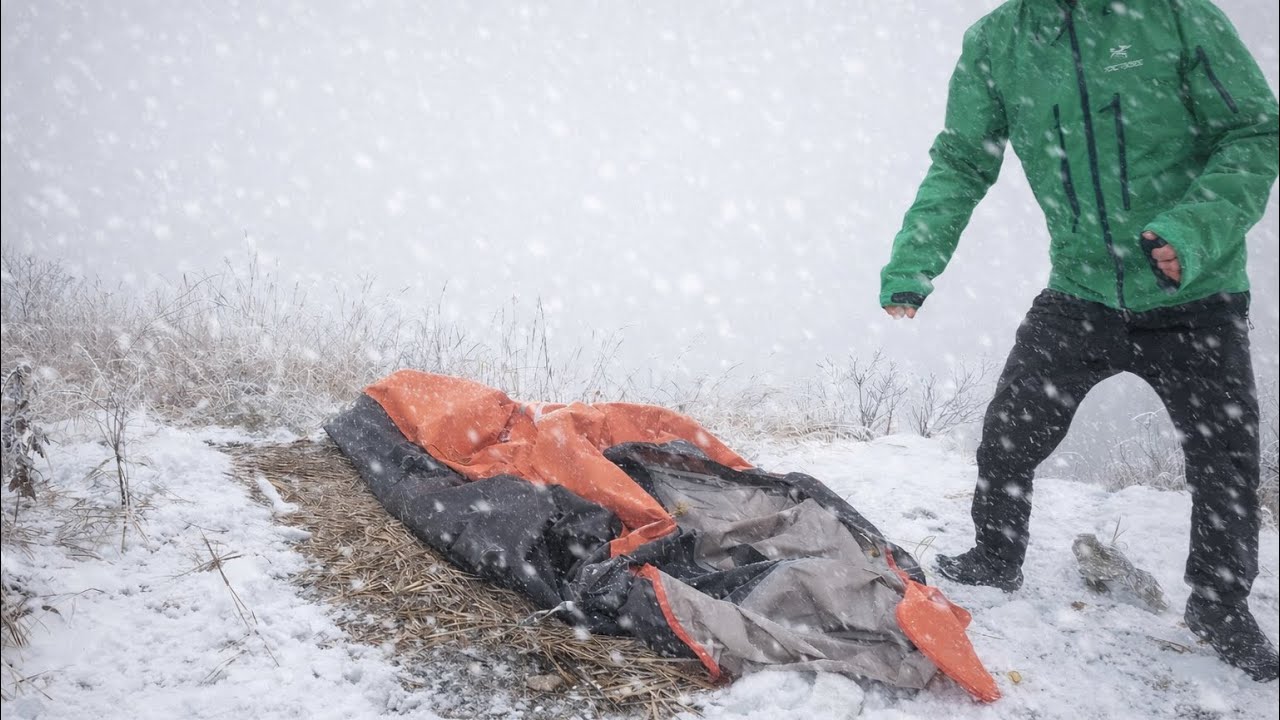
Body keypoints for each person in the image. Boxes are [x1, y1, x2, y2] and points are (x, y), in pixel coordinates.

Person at [879, 0, 1278, 682]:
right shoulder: (999, 41)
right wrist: (915, 262)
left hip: (1197, 289)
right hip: (1082, 292)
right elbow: (961, 163)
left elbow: (1254, 133)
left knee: (1225, 464)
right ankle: (996, 556)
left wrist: (1193, 228)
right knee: (1010, 434)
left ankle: (1219, 606)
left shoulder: (1177, 17)